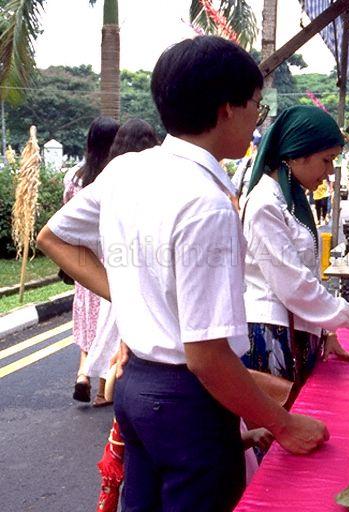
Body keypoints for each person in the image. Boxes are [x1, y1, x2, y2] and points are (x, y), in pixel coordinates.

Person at [38, 36, 328, 511]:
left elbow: (53, 235)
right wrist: (285, 423)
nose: (258, 118)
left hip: (136, 388)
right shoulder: (207, 203)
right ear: (225, 110)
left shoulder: (128, 170)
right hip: (187, 400)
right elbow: (208, 358)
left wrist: (130, 299)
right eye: (255, 103)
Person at [241, 105, 349, 384]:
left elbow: (306, 273)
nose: (330, 171)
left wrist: (327, 333)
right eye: (326, 159)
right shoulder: (265, 205)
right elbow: (295, 286)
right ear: (297, 155)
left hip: (295, 331)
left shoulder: (291, 200)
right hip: (272, 335)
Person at [82, 118, 160, 407]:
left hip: (107, 266)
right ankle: (115, 387)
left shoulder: (105, 176)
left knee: (107, 329)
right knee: (128, 333)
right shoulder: (158, 178)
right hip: (145, 267)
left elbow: (60, 234)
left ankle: (102, 387)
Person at [63, 115, 119, 403]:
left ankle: (83, 374)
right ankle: (101, 389)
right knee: (107, 322)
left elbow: (66, 216)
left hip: (82, 255)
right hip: (109, 255)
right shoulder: (115, 177)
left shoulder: (74, 177)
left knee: (87, 319)